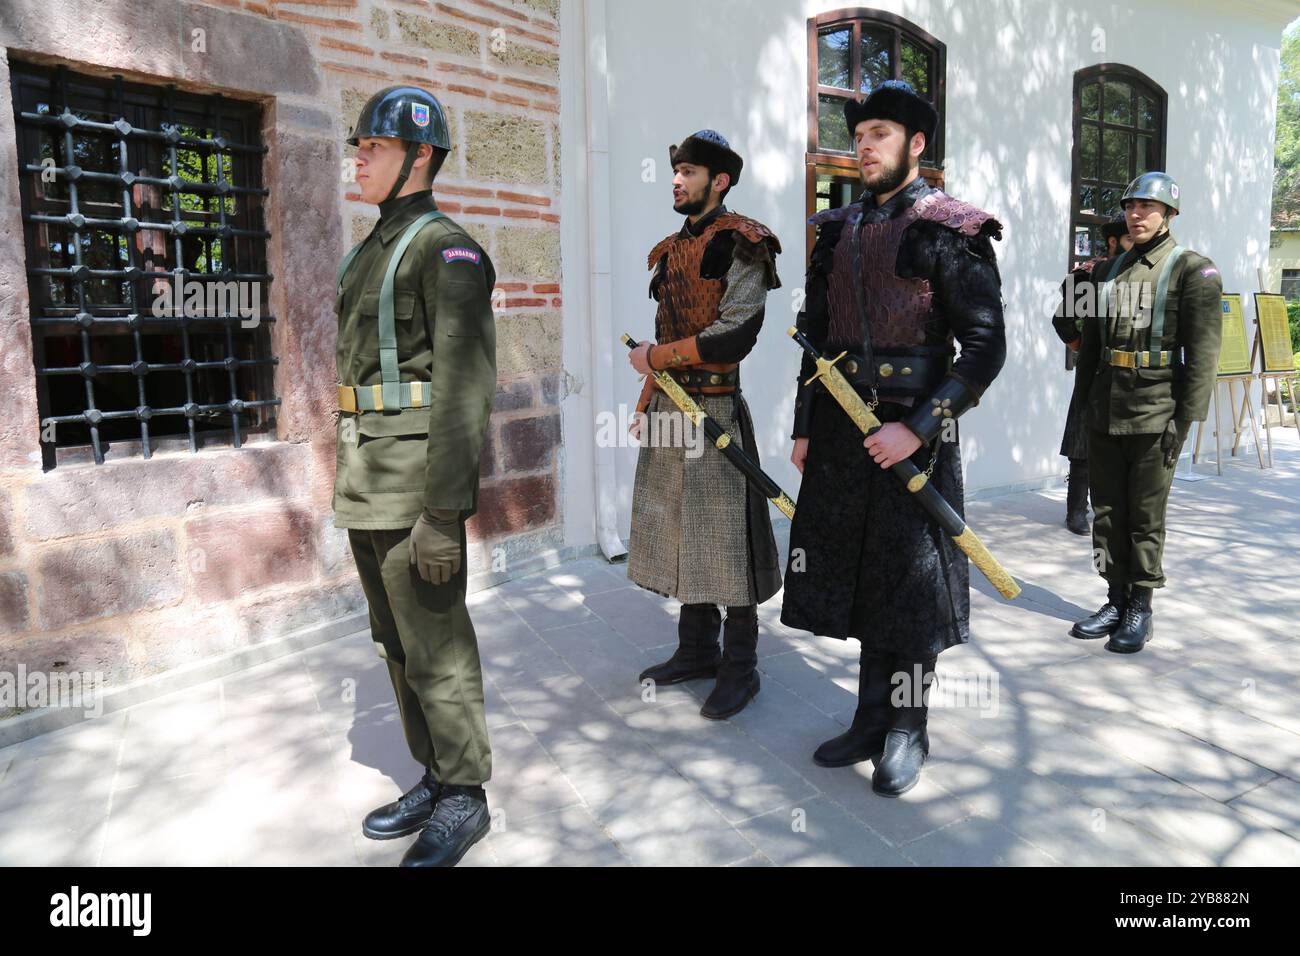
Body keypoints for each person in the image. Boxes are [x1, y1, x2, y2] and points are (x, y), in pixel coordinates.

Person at [780, 81, 1005, 796]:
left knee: (910, 583)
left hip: (915, 432)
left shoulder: (951, 229)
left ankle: (909, 726)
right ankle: (870, 717)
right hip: (842, 429)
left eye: (880, 132)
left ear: (917, 144)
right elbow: (814, 338)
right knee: (859, 571)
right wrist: (805, 426)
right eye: (859, 134)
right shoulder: (837, 229)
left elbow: (985, 348)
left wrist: (919, 428)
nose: (864, 145)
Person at [333, 86, 497, 865]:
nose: (359, 159)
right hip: (366, 478)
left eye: (375, 146)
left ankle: (466, 795)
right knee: (396, 642)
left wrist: (443, 512)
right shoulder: (372, 248)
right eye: (360, 146)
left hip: (413, 490)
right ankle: (435, 773)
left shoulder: (446, 250)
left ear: (421, 155)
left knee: (438, 643)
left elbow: (464, 390)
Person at [626, 130, 782, 720]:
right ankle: (696, 650)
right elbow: (664, 333)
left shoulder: (744, 242)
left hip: (715, 409)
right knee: (678, 527)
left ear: (720, 181)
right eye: (675, 171)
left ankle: (741, 667)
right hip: (671, 407)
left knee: (725, 538)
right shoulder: (669, 251)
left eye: (688, 172)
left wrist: (655, 360)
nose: (676, 180)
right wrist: (647, 398)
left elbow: (736, 332)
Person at [1068, 172, 1222, 654]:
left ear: (1169, 214)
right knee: (1106, 513)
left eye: (1147, 207)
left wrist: (1185, 421)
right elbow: (1090, 346)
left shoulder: (1193, 270)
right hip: (1105, 408)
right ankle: (1113, 598)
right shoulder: (1107, 271)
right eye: (1131, 206)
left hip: (1157, 411)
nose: (1136, 215)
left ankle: (1140, 607)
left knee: (1144, 516)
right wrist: (1082, 407)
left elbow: (1203, 355)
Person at [1054, 216, 1133, 535]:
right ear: (1113, 241)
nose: (1134, 244)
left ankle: (1114, 511)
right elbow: (1063, 321)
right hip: (1095, 370)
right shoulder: (1090, 276)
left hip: (1130, 374)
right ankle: (1076, 512)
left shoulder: (1142, 274)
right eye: (1128, 239)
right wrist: (1083, 348)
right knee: (1083, 443)